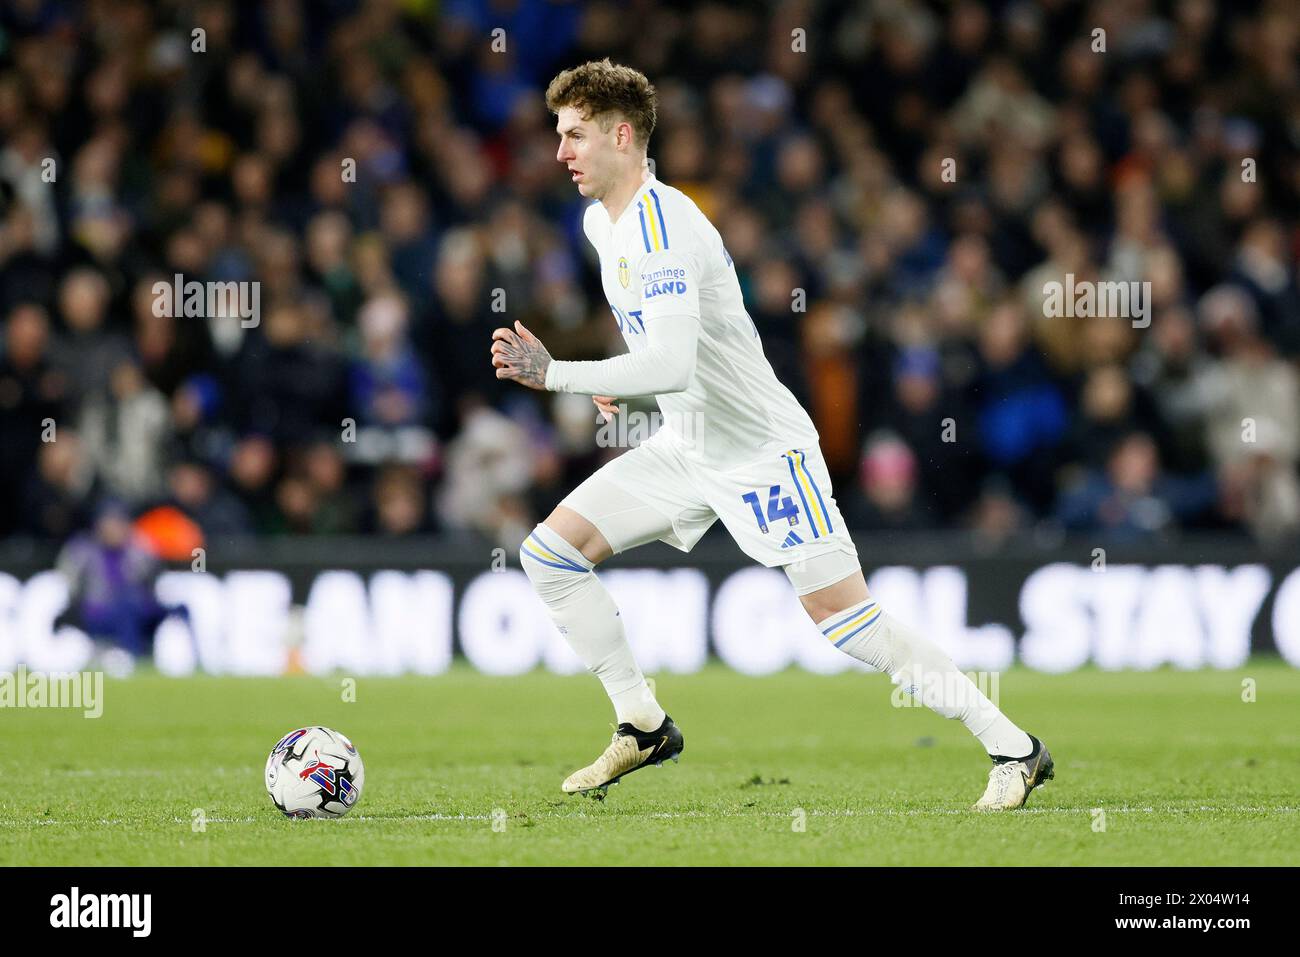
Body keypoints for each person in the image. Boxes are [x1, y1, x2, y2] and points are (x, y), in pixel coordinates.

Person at [491, 60, 1052, 810]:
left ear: (622, 136)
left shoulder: (665, 224)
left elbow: (671, 356)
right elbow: (662, 354)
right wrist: (620, 382)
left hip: (762, 452)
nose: (560, 152)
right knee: (551, 554)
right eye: (560, 135)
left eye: (575, 135)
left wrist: (556, 372)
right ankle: (644, 722)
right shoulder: (603, 222)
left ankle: (1015, 747)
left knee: (849, 623)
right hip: (688, 447)